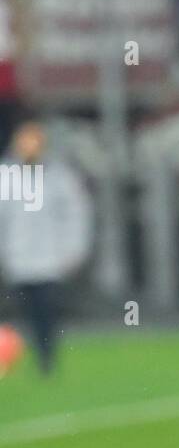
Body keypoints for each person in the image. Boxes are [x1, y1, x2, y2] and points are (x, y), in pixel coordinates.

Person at [0, 117, 93, 374]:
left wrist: (74, 250)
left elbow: (76, 214)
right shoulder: (7, 176)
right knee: (21, 311)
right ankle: (16, 355)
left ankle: (46, 358)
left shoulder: (59, 176)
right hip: (15, 257)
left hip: (49, 258)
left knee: (45, 312)